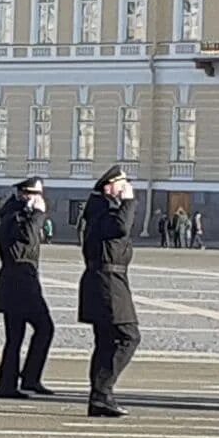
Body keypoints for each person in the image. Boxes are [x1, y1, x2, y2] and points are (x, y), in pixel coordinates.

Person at [78, 165, 140, 418]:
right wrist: (130, 202)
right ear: (109, 187)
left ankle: (101, 396)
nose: (125, 187)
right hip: (107, 281)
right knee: (128, 336)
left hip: (109, 280)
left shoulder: (103, 209)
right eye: (121, 183)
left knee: (106, 341)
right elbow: (121, 228)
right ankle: (102, 392)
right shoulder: (104, 210)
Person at [0, 178, 55, 399]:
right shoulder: (14, 217)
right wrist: (37, 214)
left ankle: (24, 379)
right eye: (35, 195)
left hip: (21, 281)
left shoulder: (18, 215)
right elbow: (28, 237)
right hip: (18, 283)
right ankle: (13, 383)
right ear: (24, 196)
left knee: (22, 335)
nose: (39, 200)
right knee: (40, 329)